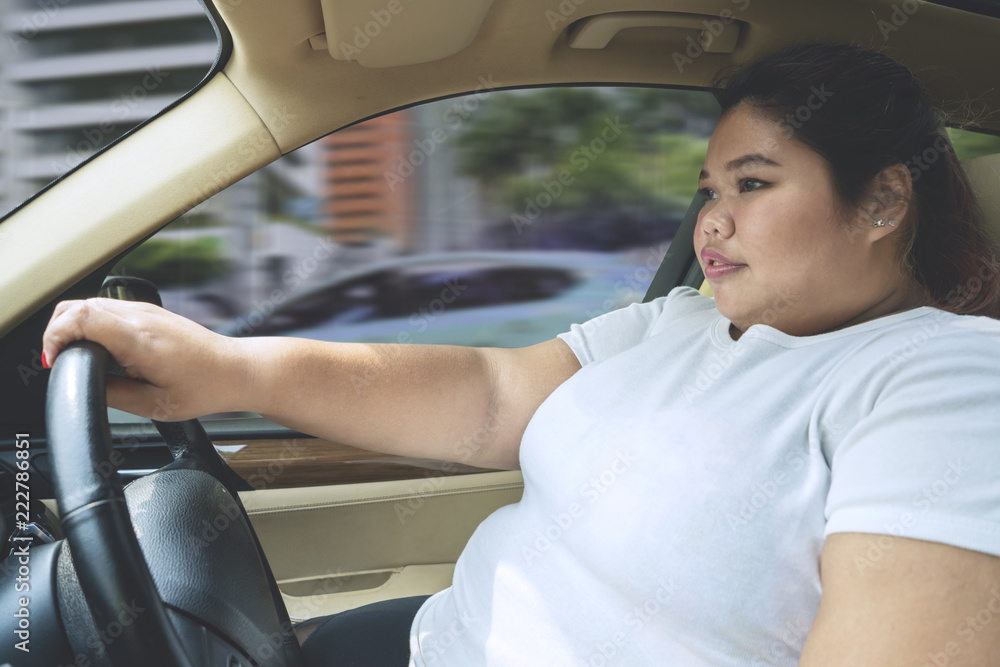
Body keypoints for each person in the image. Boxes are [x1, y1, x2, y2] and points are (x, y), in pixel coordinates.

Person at [41, 43, 1000, 666]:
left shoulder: (944, 379)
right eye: (710, 189)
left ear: (880, 203)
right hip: (436, 639)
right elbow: (493, 397)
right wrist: (225, 368)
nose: (714, 219)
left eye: (753, 183)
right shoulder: (683, 324)